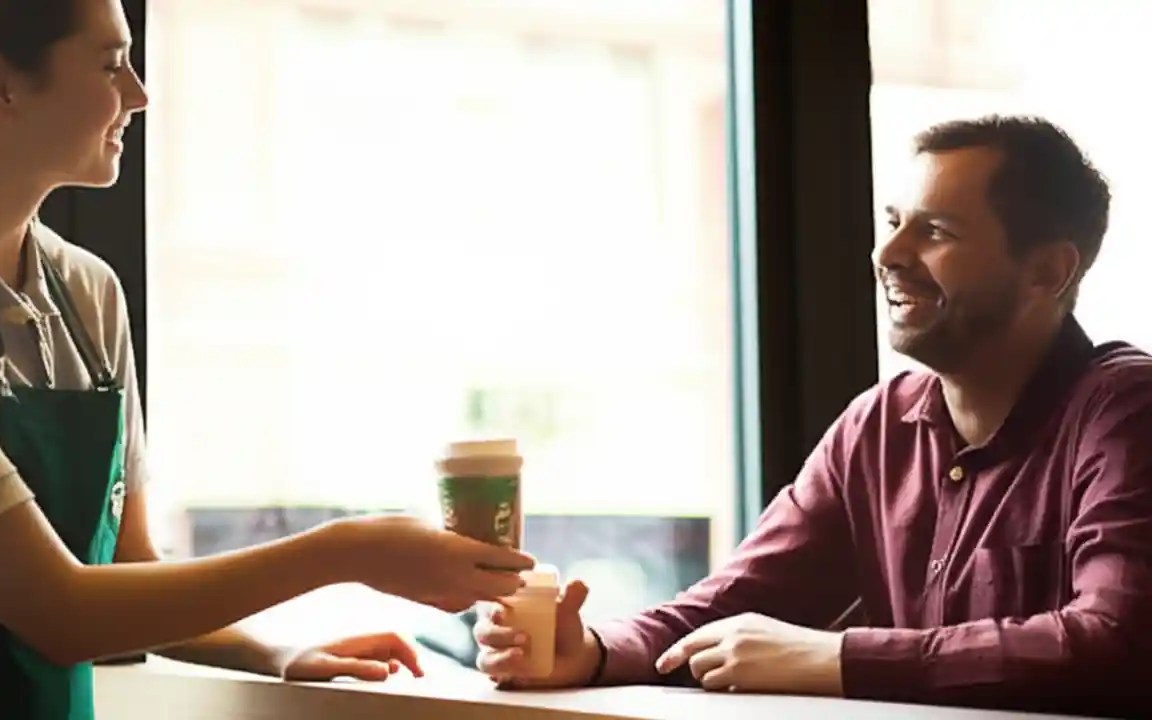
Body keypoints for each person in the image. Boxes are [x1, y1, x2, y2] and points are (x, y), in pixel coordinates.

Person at [0, 1, 533, 716]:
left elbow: (130, 570)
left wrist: (273, 652)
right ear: (0, 86)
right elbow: (59, 611)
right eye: (109, 64)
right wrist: (346, 552)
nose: (140, 93)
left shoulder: (87, 292)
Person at [476, 115, 1152, 718]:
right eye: (894, 223)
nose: (888, 255)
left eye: (936, 231)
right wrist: (591, 651)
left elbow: (1118, 644)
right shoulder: (878, 426)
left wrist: (835, 660)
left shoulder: (1125, 409)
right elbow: (736, 603)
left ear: (1047, 272)